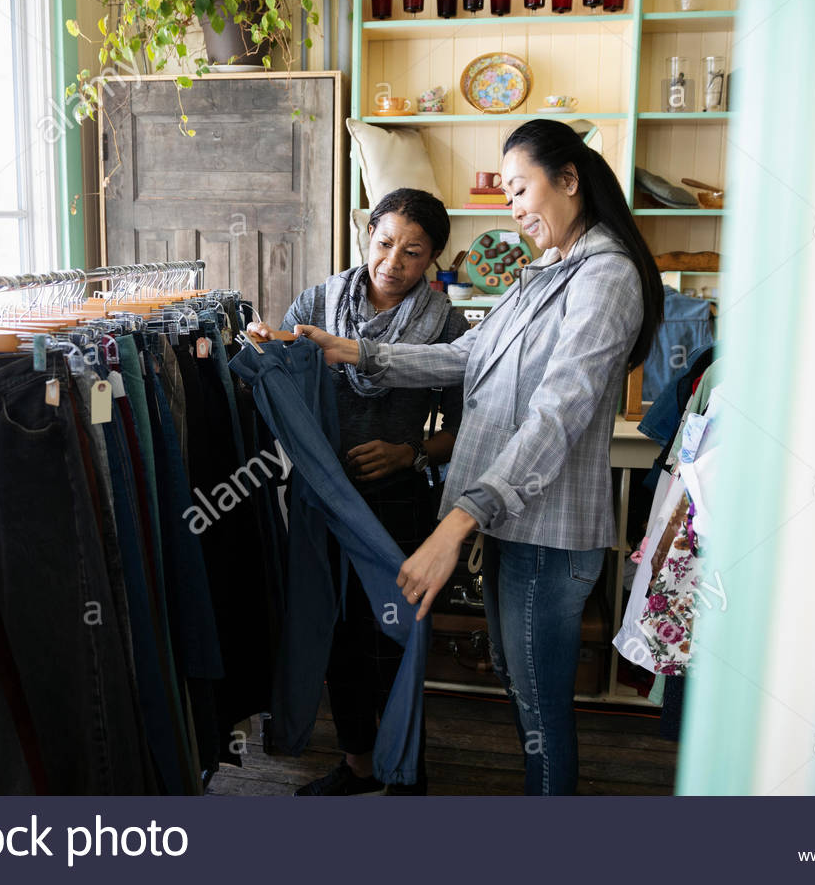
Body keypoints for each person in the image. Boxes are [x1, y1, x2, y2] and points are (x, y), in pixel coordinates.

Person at [251, 120, 664, 795]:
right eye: (505, 194)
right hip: (512, 524)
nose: (514, 206)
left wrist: (457, 518)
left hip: (544, 530)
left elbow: (557, 414)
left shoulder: (606, 276)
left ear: (569, 180)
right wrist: (351, 350)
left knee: (539, 708)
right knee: (519, 687)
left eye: (520, 187)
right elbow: (465, 356)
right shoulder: (551, 271)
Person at [260, 188, 469, 796]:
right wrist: (263, 351)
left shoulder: (449, 325)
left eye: (412, 251)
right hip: (323, 496)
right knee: (336, 631)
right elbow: (287, 383)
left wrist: (411, 452)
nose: (392, 262)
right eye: (384, 243)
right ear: (366, 236)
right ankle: (357, 765)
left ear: (433, 259)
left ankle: (407, 771)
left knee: (397, 634)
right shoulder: (319, 302)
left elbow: (466, 429)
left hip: (397, 496)